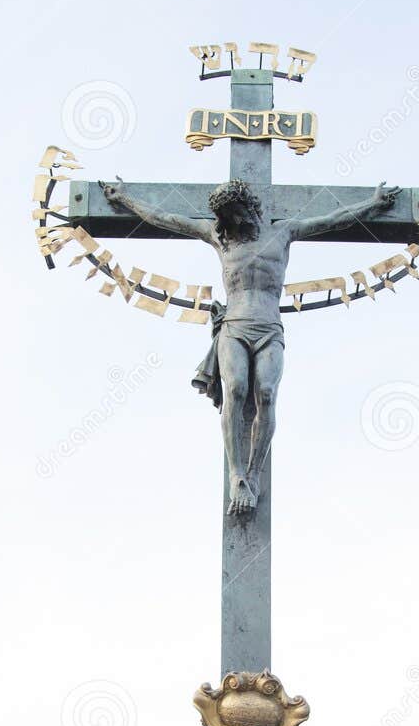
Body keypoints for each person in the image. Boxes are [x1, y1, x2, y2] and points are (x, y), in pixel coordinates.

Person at [102, 175, 399, 515]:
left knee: (267, 393)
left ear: (248, 208)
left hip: (269, 327)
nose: (231, 224)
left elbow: (332, 220)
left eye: (235, 215)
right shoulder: (220, 237)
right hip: (235, 326)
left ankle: (254, 474)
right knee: (237, 389)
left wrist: (374, 204)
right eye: (226, 218)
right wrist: (125, 200)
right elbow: (166, 219)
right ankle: (237, 474)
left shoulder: (284, 231)